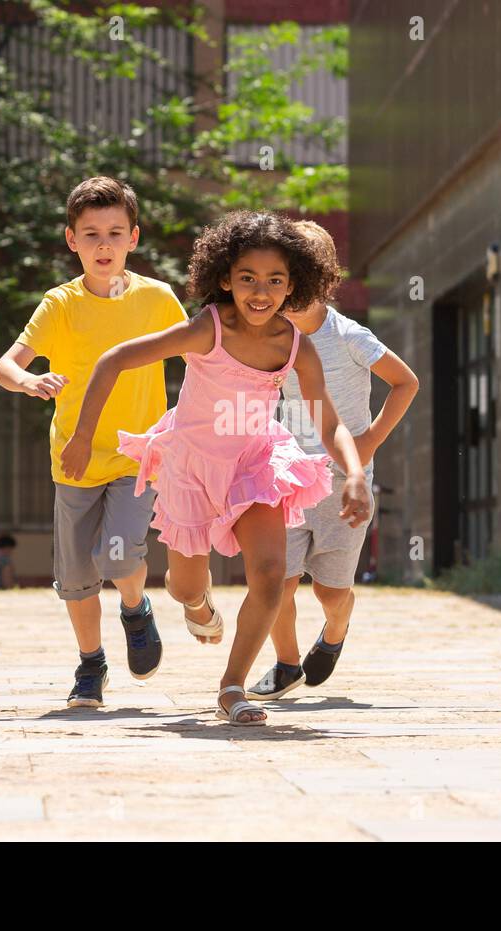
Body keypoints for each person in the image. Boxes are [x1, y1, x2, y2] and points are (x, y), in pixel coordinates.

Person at [65, 211, 371, 725]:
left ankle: (232, 687)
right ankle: (198, 604)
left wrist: (356, 474)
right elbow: (113, 360)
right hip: (192, 466)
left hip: (255, 460)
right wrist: (79, 436)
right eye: (248, 278)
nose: (260, 292)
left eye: (276, 281)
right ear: (225, 278)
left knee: (272, 575)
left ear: (294, 284)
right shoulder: (206, 328)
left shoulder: (295, 345)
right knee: (184, 587)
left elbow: (329, 421)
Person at [0, 177, 186, 705]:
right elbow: (5, 365)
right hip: (73, 457)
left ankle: (134, 608)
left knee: (120, 558)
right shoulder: (59, 305)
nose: (104, 245)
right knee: (77, 577)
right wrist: (29, 380)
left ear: (134, 238)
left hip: (136, 453)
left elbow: (200, 359)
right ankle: (90, 665)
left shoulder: (157, 299)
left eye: (115, 233)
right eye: (92, 234)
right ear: (71, 240)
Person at [248, 220, 419, 700]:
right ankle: (285, 664)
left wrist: (370, 442)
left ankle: (336, 628)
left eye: (304, 280)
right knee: (277, 580)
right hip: (285, 475)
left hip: (343, 478)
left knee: (329, 591)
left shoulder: (348, 335)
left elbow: (406, 381)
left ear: (324, 281)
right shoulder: (268, 335)